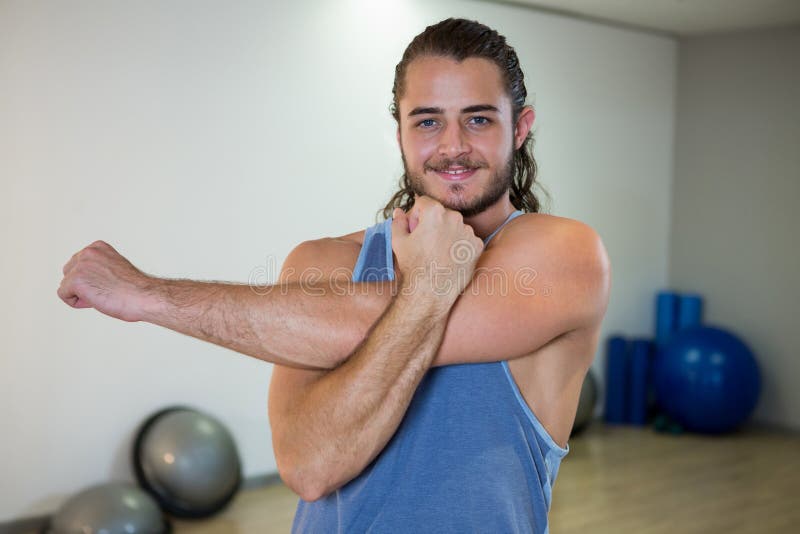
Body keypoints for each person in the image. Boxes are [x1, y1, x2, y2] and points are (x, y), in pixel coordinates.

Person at [58, 18, 610, 533]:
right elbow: (310, 467)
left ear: (521, 127)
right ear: (400, 132)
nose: (452, 146)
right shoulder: (323, 262)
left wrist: (148, 295)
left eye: (479, 118)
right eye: (428, 121)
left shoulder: (565, 254)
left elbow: (351, 320)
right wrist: (431, 287)